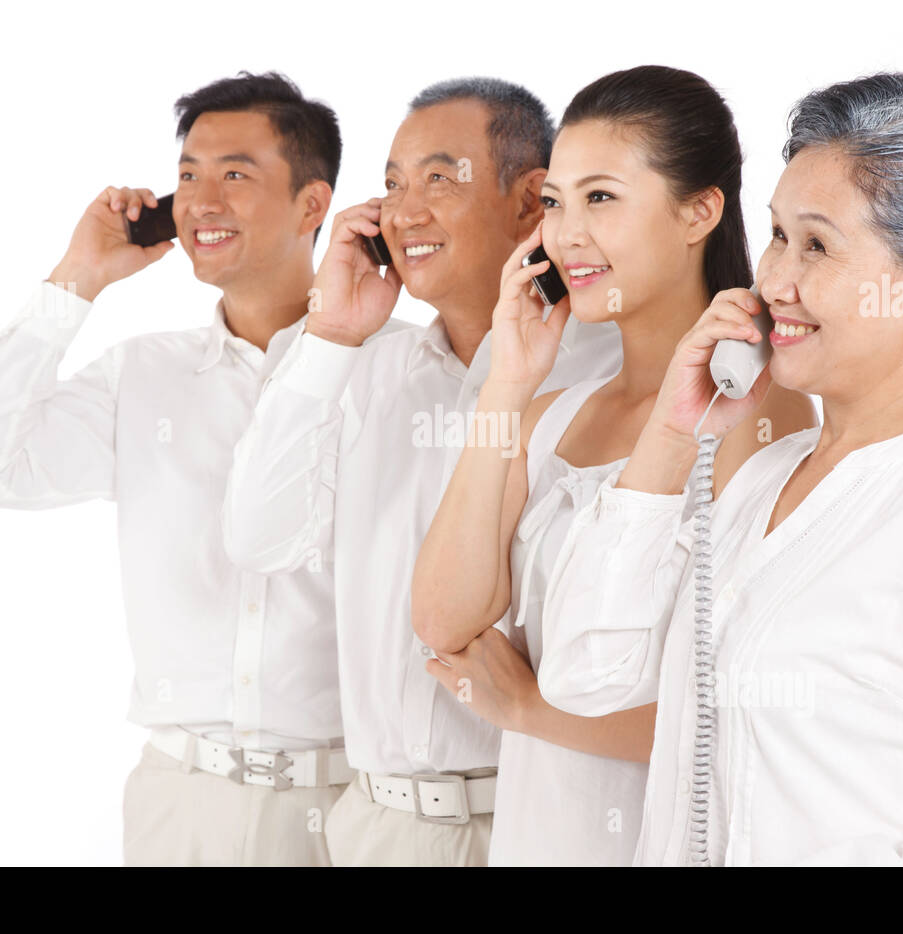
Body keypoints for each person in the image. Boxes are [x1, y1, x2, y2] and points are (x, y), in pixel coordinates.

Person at [538, 72, 903, 866]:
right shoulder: (761, 479)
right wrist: (673, 436)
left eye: (816, 245)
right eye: (776, 235)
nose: (771, 281)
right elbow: (582, 673)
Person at [0, 71, 373, 866]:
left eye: (235, 174)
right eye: (187, 176)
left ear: (314, 205)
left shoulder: (395, 370)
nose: (202, 200)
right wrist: (79, 278)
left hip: (355, 805)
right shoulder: (142, 377)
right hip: (181, 804)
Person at [410, 66, 817, 866]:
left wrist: (531, 709)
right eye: (555, 202)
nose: (566, 234)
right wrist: (508, 380)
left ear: (700, 210)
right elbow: (442, 622)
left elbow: (743, 709)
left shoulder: (760, 413)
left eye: (600, 198)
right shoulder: (548, 410)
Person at [221, 77, 623, 866]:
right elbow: (256, 541)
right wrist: (333, 332)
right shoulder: (359, 371)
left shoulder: (616, 377)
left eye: (439, 179)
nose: (404, 214)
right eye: (393, 184)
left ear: (530, 200)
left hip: (539, 817)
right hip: (374, 825)